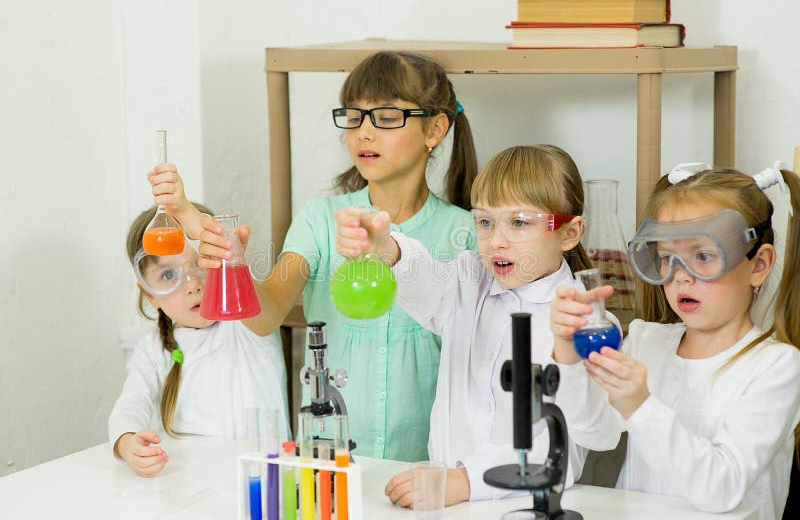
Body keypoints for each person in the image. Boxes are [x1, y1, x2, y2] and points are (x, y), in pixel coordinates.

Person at [147, 51, 479, 461]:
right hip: (331, 462)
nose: (364, 133)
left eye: (387, 117)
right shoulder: (319, 220)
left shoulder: (466, 232)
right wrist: (226, 254)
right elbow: (266, 314)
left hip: (431, 466)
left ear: (436, 129)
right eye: (354, 116)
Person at [337, 145, 594, 506]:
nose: (496, 241)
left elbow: (566, 449)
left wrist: (465, 482)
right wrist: (386, 248)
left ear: (569, 232)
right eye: (485, 221)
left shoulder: (583, 322)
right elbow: (424, 280)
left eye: (518, 222)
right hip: (442, 501)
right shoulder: (470, 280)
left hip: (527, 506)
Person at [549, 164, 800, 519]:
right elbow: (595, 433)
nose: (680, 276)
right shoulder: (646, 341)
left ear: (758, 265)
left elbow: (721, 488)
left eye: (703, 256)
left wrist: (641, 404)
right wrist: (567, 353)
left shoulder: (776, 366)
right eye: (667, 258)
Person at [108, 204, 289, 477]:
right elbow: (131, 403)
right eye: (168, 275)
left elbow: (257, 308)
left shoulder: (246, 327)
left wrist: (232, 256)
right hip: (192, 488)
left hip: (263, 483)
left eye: (202, 264)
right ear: (150, 295)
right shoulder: (153, 350)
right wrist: (126, 442)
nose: (193, 284)